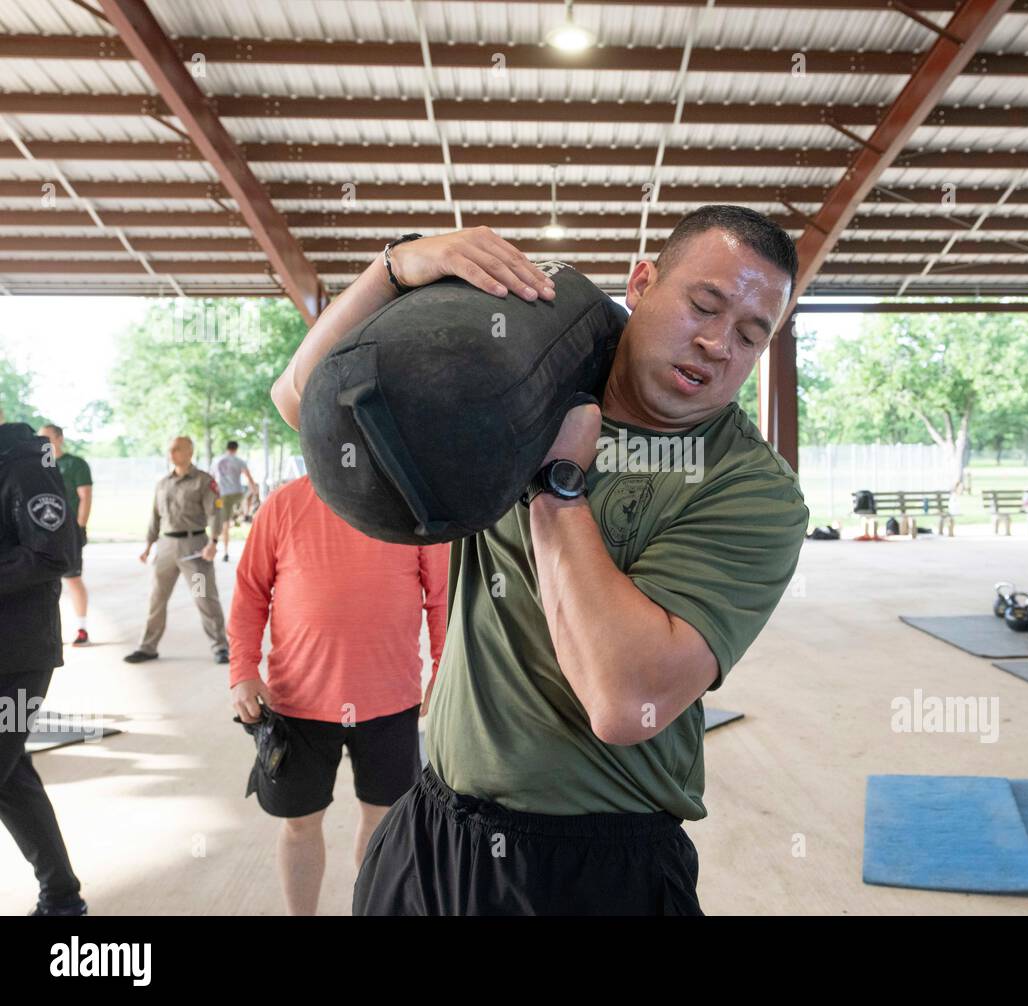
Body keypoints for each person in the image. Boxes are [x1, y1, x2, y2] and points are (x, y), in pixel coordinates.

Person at [272, 208, 809, 916]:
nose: (716, 345)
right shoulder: (532, 363)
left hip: (598, 869)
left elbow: (624, 700)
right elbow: (303, 403)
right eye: (703, 306)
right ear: (642, 281)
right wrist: (396, 267)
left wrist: (558, 487)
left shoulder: (750, 489)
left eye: (750, 335)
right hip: (434, 830)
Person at [227, 474, 449, 915]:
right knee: (300, 823)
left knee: (384, 821)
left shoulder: (412, 502)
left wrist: (444, 671)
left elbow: (441, 597)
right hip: (297, 702)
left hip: (390, 699)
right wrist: (243, 669)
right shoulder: (284, 503)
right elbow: (251, 590)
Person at [0, 408, 87, 916]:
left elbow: (55, 553)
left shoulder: (28, 462)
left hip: (17, 653)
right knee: (9, 775)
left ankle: (63, 899)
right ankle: (62, 898)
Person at [123, 436, 229, 665]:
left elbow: (215, 513)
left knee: (204, 597)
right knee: (157, 598)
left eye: (177, 449)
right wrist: (148, 545)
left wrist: (213, 542)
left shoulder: (203, 481)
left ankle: (220, 646)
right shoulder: (163, 483)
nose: (172, 453)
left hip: (195, 550)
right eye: (170, 449)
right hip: (166, 549)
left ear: (190, 452)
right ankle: (148, 647)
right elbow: (155, 517)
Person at [36, 425, 93, 646]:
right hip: (43, 534)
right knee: (43, 583)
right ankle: (46, 633)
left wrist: (79, 527)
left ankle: (82, 628)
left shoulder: (75, 464)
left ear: (59, 439)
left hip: (68, 532)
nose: (41, 442)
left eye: (46, 438)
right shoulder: (38, 465)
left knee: (72, 578)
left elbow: (85, 496)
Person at [213, 440, 256, 562]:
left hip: (222, 495)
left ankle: (226, 552)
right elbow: (248, 477)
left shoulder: (217, 461)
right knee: (247, 499)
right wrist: (254, 490)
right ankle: (245, 515)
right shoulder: (239, 461)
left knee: (225, 524)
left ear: (227, 448)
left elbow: (212, 479)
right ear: (236, 449)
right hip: (237, 494)